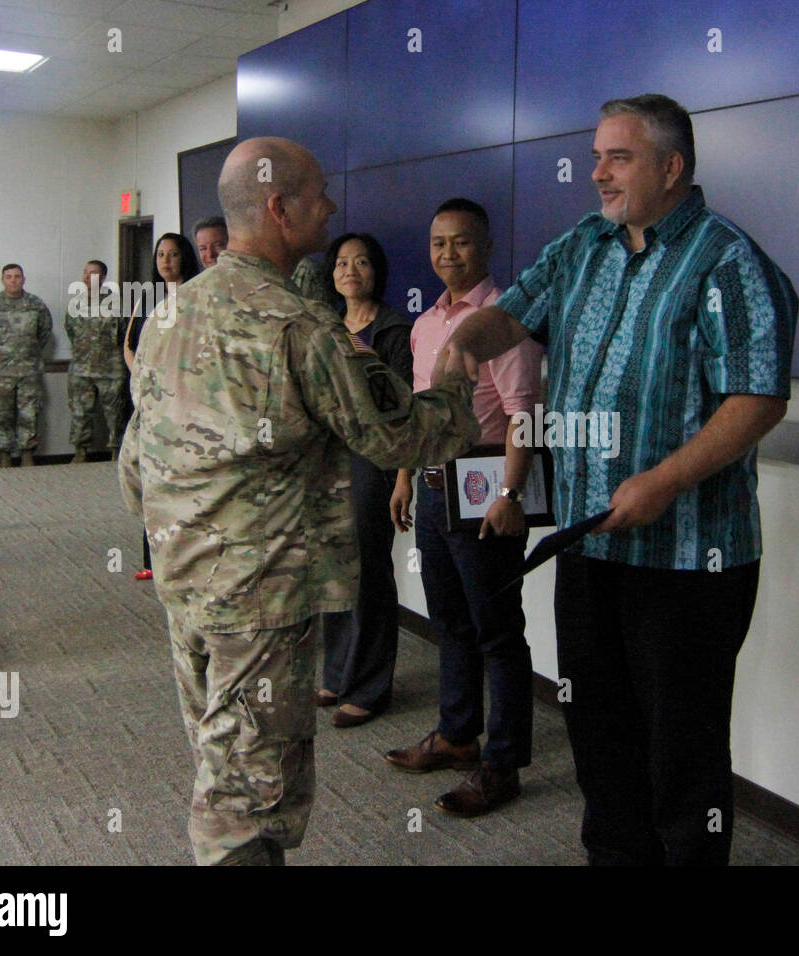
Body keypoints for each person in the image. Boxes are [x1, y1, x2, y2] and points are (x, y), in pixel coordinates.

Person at [434, 95, 797, 862]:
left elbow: (758, 397)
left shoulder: (729, 260)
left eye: (617, 157)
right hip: (590, 545)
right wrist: (467, 338)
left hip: (689, 559)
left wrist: (664, 480)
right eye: (596, 155)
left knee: (681, 750)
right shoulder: (582, 246)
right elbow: (515, 313)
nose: (596, 172)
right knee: (599, 735)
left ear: (672, 166)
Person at [118, 136, 480, 866]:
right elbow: (401, 435)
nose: (333, 205)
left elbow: (136, 456)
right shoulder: (299, 327)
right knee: (251, 801)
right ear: (280, 208)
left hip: (188, 582)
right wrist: (459, 377)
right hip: (258, 599)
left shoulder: (171, 313)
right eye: (318, 192)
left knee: (220, 756)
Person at [384, 199, 541, 817]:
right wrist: (403, 479)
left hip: (483, 480)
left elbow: (524, 416)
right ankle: (456, 735)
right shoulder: (427, 324)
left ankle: (502, 764)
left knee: (498, 630)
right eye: (438, 243)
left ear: (486, 246)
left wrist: (510, 495)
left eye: (462, 243)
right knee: (449, 618)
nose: (448, 254)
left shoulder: (505, 320)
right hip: (429, 480)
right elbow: (417, 409)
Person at [314, 233, 414, 729]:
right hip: (329, 465)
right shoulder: (325, 326)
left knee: (370, 572)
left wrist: (403, 478)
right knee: (333, 570)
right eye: (341, 262)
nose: (350, 270)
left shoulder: (394, 328)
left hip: (374, 463)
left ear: (376, 271)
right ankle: (336, 672)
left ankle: (371, 686)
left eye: (361, 262)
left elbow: (404, 413)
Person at [123, 233, 200, 580]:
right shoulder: (148, 297)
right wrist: (143, 379)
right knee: (150, 480)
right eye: (161, 255)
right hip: (150, 401)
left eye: (173, 254)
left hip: (185, 402)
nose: (166, 261)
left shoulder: (196, 295)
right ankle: (152, 560)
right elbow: (130, 345)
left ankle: (186, 557)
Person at [0, 264, 51, 468]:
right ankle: (4, 456)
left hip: (29, 371)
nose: (13, 280)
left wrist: (27, 353)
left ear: (23, 279)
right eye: (8, 277)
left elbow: (44, 332)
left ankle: (27, 454)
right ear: (2, 280)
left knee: (30, 414)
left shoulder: (36, 304)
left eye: (17, 276)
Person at [65, 260, 126, 463]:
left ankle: (117, 452)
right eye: (85, 272)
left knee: (115, 414)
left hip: (111, 369)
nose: (86, 276)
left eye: (92, 273)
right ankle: (80, 452)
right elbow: (71, 331)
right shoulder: (75, 303)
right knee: (80, 413)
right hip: (81, 368)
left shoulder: (116, 304)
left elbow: (125, 335)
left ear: (102, 278)